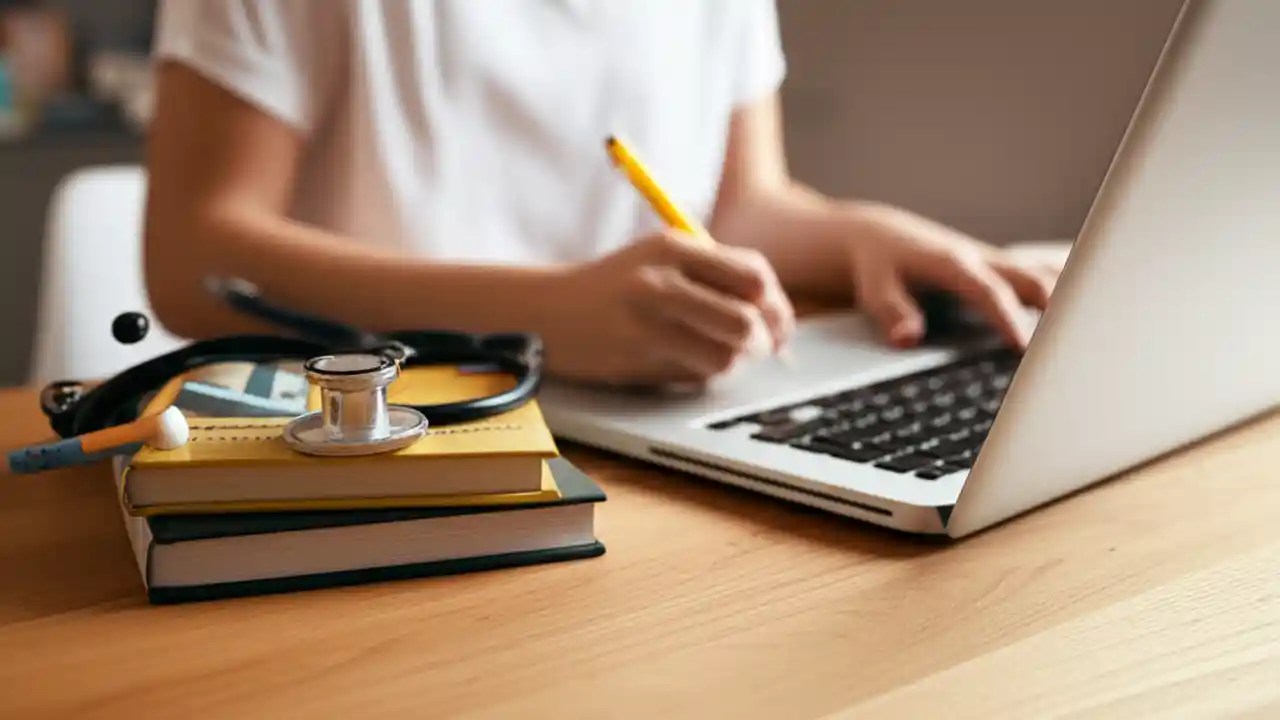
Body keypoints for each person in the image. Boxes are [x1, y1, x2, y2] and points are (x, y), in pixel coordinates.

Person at [144, 0, 1059, 388]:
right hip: (387, 445)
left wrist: (861, 234)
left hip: (650, 433)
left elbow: (736, 205)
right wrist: (540, 318)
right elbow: (195, 258)